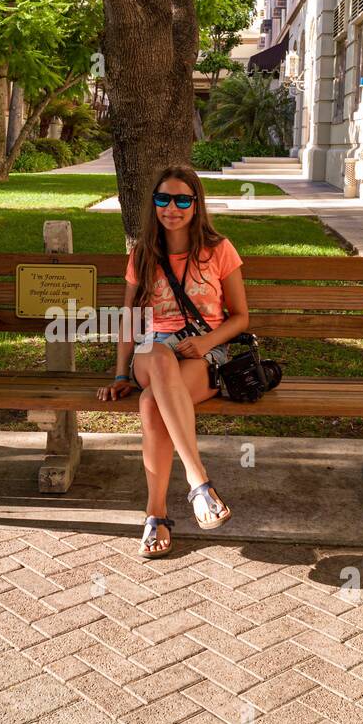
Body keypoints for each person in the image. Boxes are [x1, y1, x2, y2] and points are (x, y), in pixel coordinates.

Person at [96, 164, 250, 558]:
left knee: (151, 403)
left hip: (205, 352)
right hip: (151, 350)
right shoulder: (143, 254)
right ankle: (198, 480)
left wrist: (206, 342)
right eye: (163, 199)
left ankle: (156, 513)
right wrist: (119, 372)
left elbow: (240, 317)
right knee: (160, 357)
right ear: (154, 204)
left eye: (183, 199)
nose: (172, 208)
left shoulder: (219, 250)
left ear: (196, 205)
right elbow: (131, 319)